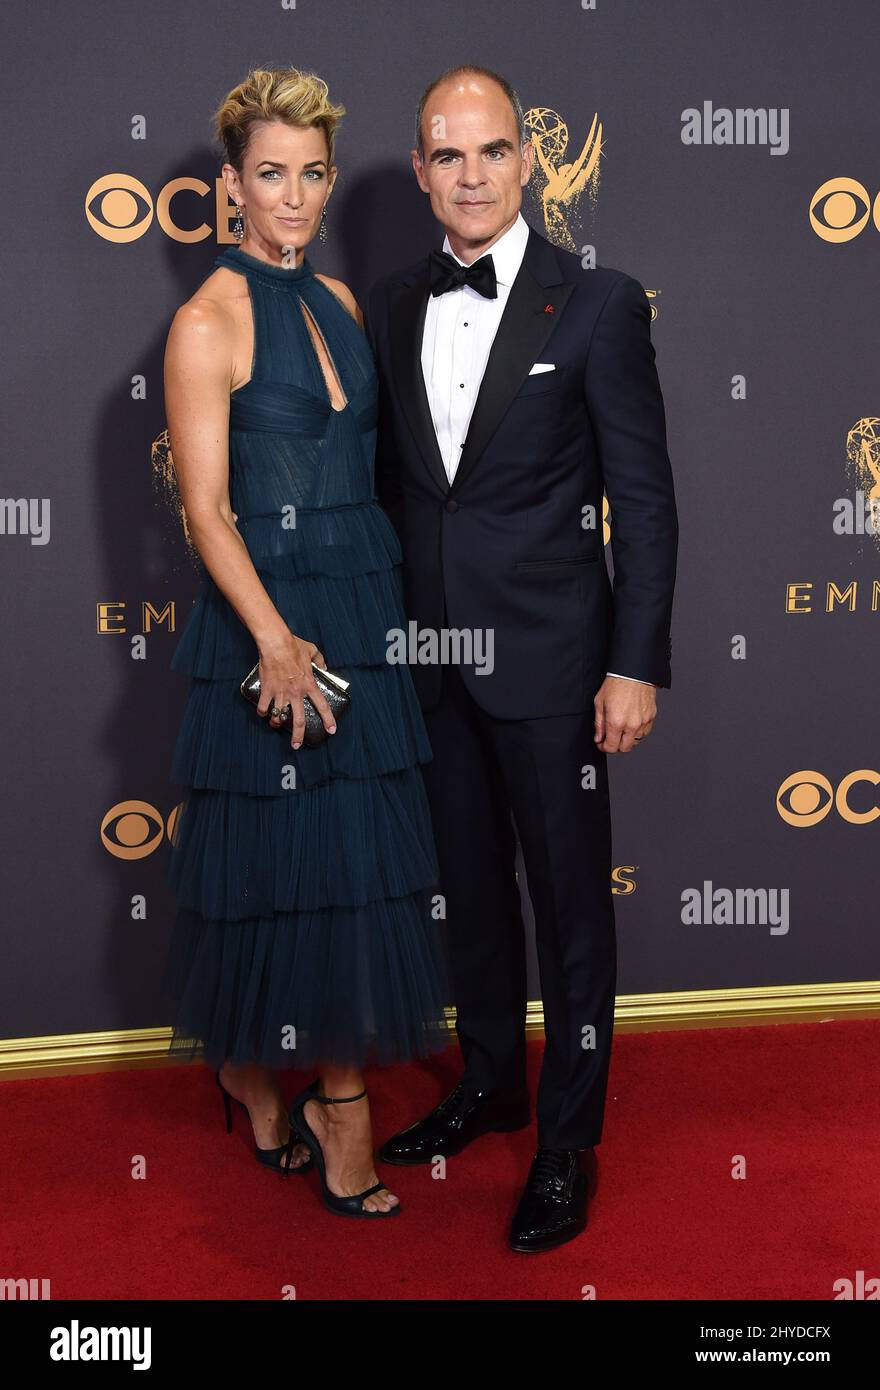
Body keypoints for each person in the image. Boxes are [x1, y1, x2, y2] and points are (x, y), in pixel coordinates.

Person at [364, 65, 678, 1252]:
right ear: (422, 170)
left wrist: (634, 660)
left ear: (528, 160)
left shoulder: (597, 303)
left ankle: (565, 1142)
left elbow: (643, 501)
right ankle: (490, 1083)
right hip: (431, 654)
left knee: (568, 912)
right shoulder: (394, 302)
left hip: (556, 663)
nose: (471, 175)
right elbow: (401, 487)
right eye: (447, 156)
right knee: (471, 900)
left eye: (491, 151)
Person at [160, 67, 451, 1220]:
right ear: (230, 186)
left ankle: (279, 1082)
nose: (294, 195)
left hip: (362, 612)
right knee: (292, 875)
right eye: (270, 174)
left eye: (312, 173)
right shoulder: (204, 321)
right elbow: (203, 512)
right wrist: (276, 643)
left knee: (362, 873)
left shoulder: (335, 295)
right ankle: (326, 1099)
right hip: (270, 625)